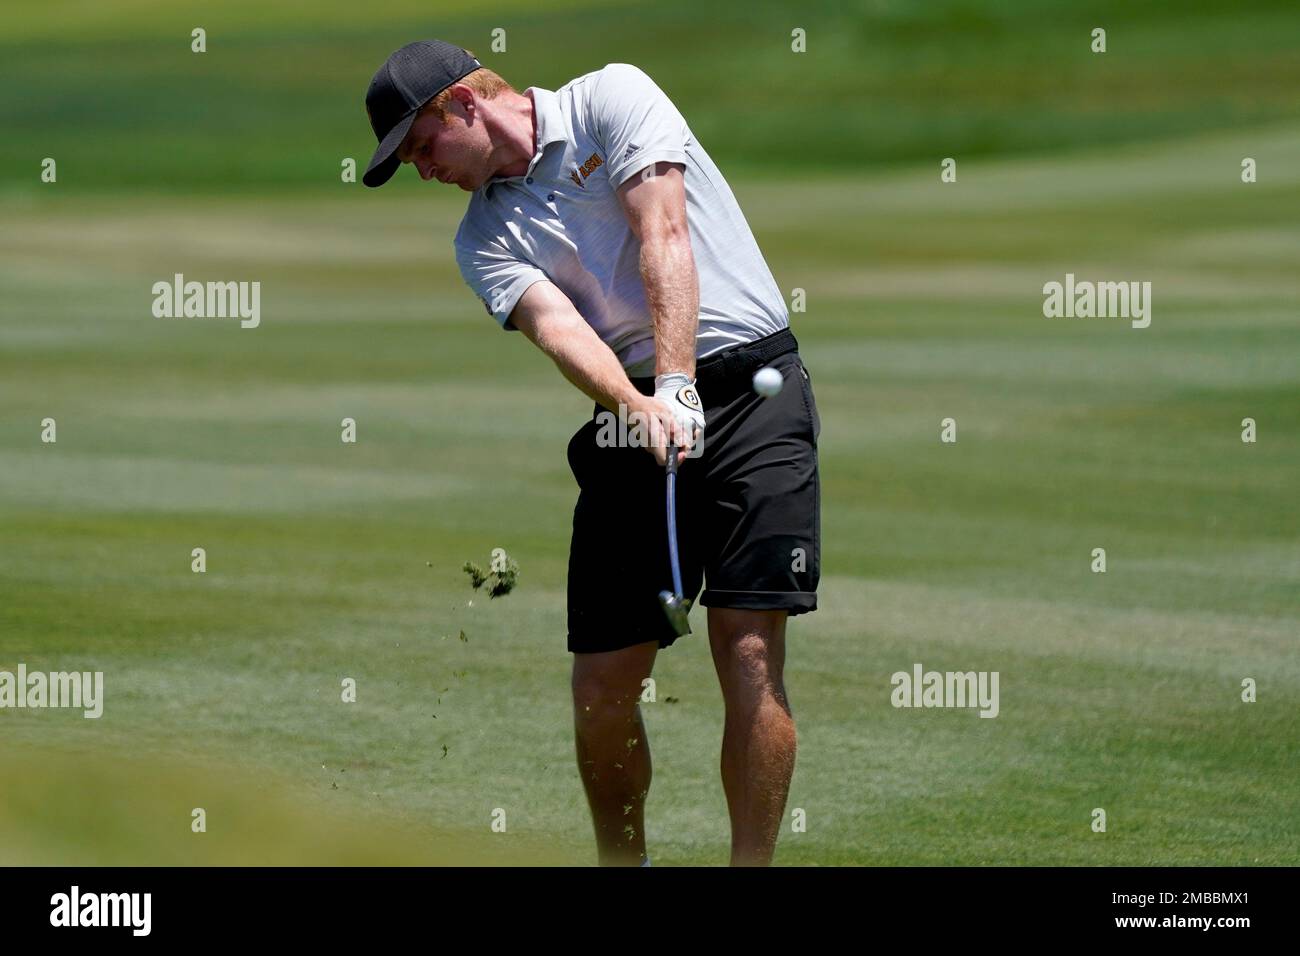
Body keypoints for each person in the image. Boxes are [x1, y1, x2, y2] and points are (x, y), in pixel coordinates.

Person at [362, 39, 820, 866]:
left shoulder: (612, 96)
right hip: (627, 418)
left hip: (754, 389)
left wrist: (676, 386)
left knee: (747, 646)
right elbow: (559, 328)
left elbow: (663, 231)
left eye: (420, 147)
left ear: (464, 104)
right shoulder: (481, 238)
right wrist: (638, 406)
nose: (422, 171)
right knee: (602, 688)